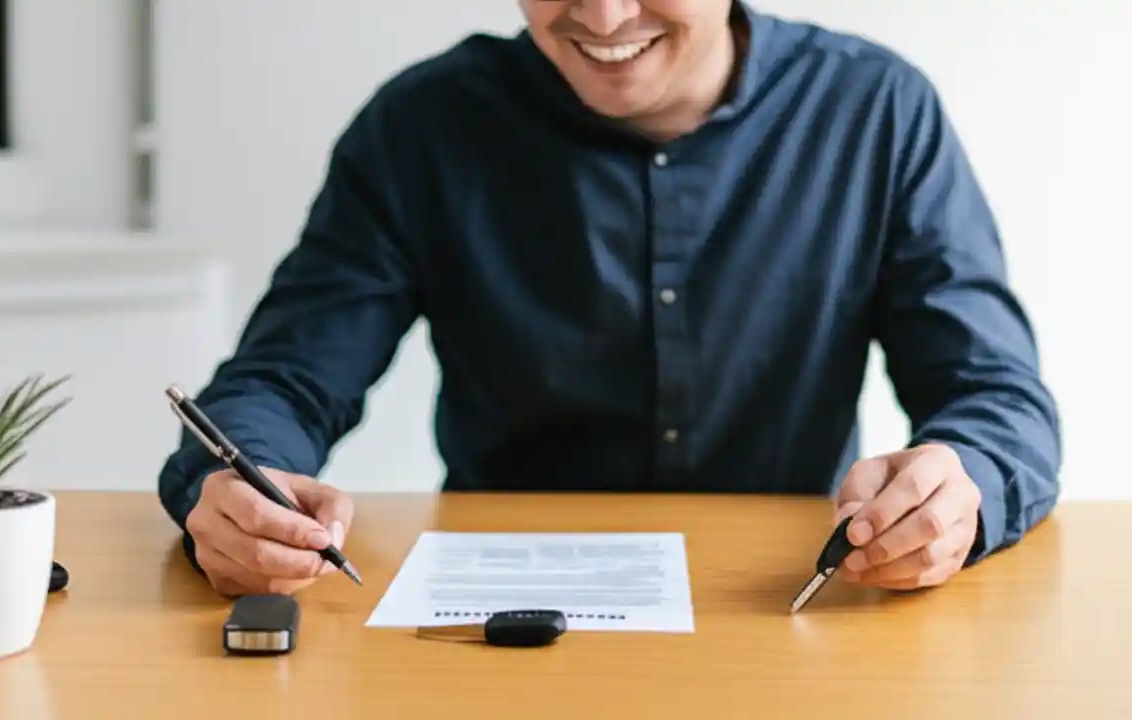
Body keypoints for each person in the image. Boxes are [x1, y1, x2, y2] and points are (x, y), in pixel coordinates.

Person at [158, 0, 1061, 599]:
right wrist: (238, 492)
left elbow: (995, 397)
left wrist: (962, 487)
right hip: (497, 628)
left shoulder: (877, 111)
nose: (602, 16)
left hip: (787, 613)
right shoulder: (420, 127)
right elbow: (284, 379)